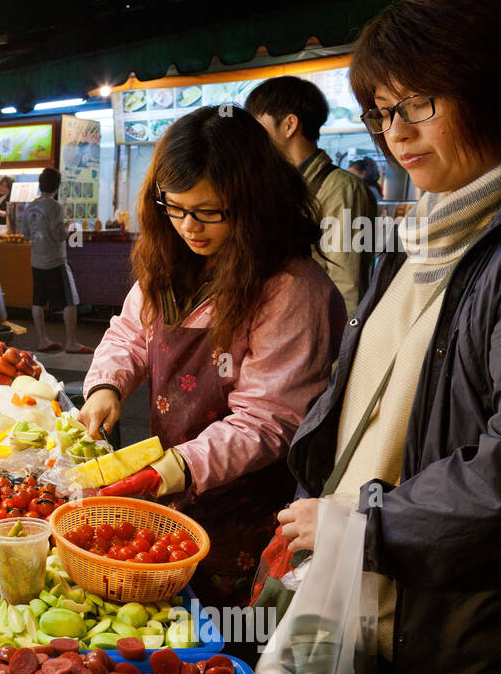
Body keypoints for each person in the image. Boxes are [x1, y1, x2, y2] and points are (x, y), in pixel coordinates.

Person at [275, 0, 501, 674]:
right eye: (383, 110)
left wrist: (363, 521)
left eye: (421, 104)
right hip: (374, 609)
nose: (395, 134)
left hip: (460, 642)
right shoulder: (426, 228)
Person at [79, 107, 344, 605]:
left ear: (252, 202)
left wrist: (175, 467)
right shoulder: (172, 260)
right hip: (172, 494)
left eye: (209, 211)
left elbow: (268, 420)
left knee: (224, 634)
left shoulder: (291, 289)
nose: (189, 227)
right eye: (175, 208)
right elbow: (130, 334)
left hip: (247, 509)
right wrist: (105, 387)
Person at [247, 75, 378, 315]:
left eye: (257, 124)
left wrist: (340, 350)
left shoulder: (342, 188)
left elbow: (348, 282)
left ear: (289, 124)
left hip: (320, 335)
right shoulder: (275, 185)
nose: (253, 136)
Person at [23, 167, 89, 353]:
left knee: (38, 302)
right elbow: (59, 235)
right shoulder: (55, 207)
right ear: (57, 186)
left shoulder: (30, 207)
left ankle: (42, 340)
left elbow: (26, 234)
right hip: (55, 261)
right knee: (70, 301)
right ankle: (71, 342)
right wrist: (69, 228)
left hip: (36, 261)